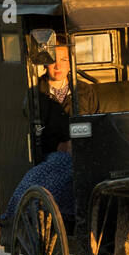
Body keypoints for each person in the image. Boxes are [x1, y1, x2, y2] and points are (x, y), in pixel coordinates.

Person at [5, 41, 77, 226]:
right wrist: (58, 145)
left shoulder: (84, 92)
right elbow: (38, 131)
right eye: (53, 60)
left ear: (71, 62)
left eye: (63, 59)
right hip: (53, 155)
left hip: (84, 152)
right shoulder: (36, 95)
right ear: (46, 62)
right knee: (63, 165)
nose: (58, 65)